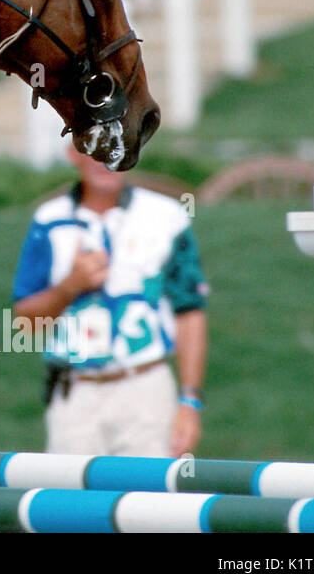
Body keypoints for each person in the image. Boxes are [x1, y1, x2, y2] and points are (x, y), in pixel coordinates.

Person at [11, 143, 209, 458]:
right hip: (74, 392)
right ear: (72, 153)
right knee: (71, 503)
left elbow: (190, 313)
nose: (106, 158)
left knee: (151, 502)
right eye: (93, 147)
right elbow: (25, 323)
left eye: (117, 147)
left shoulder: (167, 216)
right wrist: (68, 288)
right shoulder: (49, 219)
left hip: (145, 388)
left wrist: (189, 400)